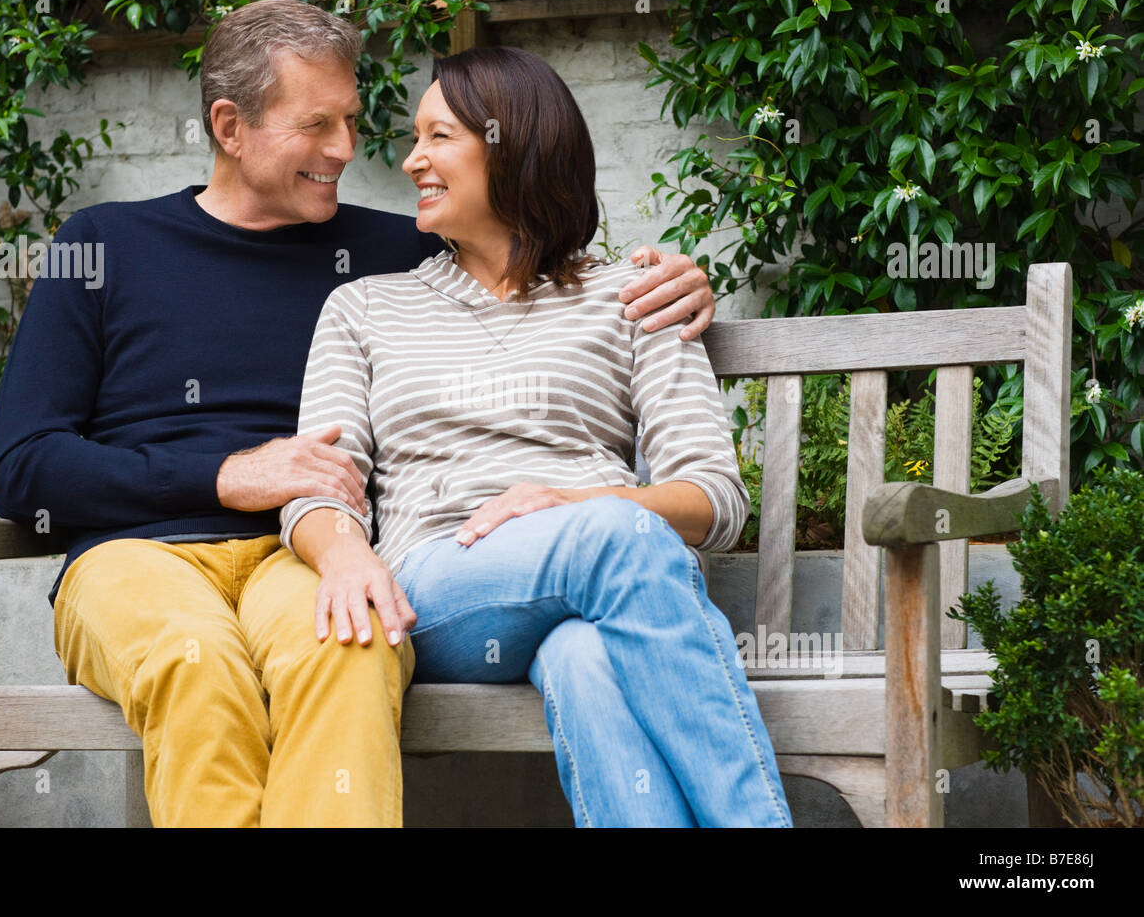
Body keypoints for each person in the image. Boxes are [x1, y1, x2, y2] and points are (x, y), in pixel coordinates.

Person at [0, 0, 721, 827]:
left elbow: (536, 260)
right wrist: (227, 473)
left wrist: (677, 276)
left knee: (354, 646)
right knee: (196, 665)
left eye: (351, 120)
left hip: (306, 553)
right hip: (135, 556)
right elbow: (24, 467)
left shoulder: (394, 253)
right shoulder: (106, 244)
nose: (348, 149)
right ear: (231, 125)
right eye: (318, 125)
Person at [281, 45, 793, 827]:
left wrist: (576, 502)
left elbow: (716, 500)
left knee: (586, 660)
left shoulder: (635, 295)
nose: (413, 158)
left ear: (513, 143)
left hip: (604, 583)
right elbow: (319, 485)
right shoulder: (364, 310)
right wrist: (342, 553)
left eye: (439, 136)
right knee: (614, 536)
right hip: (441, 586)